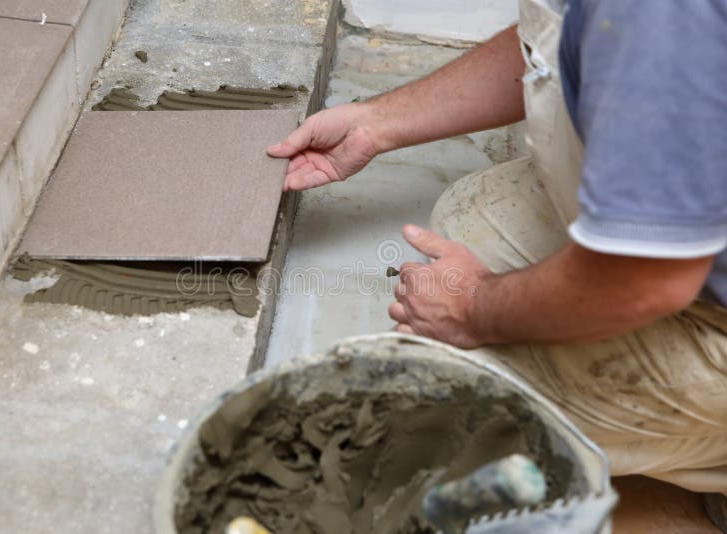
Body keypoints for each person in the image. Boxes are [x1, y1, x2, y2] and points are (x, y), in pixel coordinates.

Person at [267, 0, 727, 527]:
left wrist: (471, 310)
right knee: (469, 219)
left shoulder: (667, 15)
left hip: (686, 299)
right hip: (684, 260)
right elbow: (555, 36)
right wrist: (375, 124)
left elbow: (644, 280)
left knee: (450, 396)